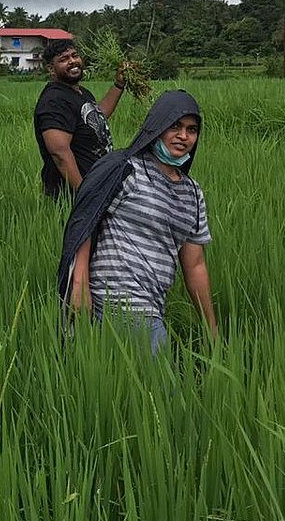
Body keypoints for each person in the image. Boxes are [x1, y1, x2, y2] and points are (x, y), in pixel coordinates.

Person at [57, 90, 216, 353]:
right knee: (165, 390)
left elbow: (195, 265)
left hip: (152, 304)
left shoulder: (192, 193)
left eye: (192, 129)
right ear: (157, 127)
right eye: (174, 126)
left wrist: (211, 331)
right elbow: (85, 221)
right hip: (116, 296)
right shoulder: (125, 169)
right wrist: (79, 283)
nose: (183, 136)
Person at [33, 39, 126, 199]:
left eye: (74, 55)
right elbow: (59, 152)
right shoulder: (55, 100)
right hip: (70, 196)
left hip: (97, 186)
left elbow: (97, 117)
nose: (72, 61)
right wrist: (84, 194)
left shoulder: (80, 92)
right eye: (64, 59)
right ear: (51, 69)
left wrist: (118, 85)